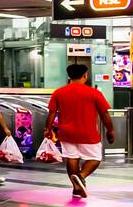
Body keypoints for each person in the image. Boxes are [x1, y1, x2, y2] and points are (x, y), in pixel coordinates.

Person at [45, 63, 115, 198]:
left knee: (72, 158)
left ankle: (76, 188)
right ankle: (81, 177)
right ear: (85, 75)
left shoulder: (59, 92)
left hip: (66, 133)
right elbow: (104, 114)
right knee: (95, 158)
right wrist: (110, 130)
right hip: (87, 132)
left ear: (69, 76)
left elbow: (52, 113)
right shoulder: (94, 93)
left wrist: (47, 129)